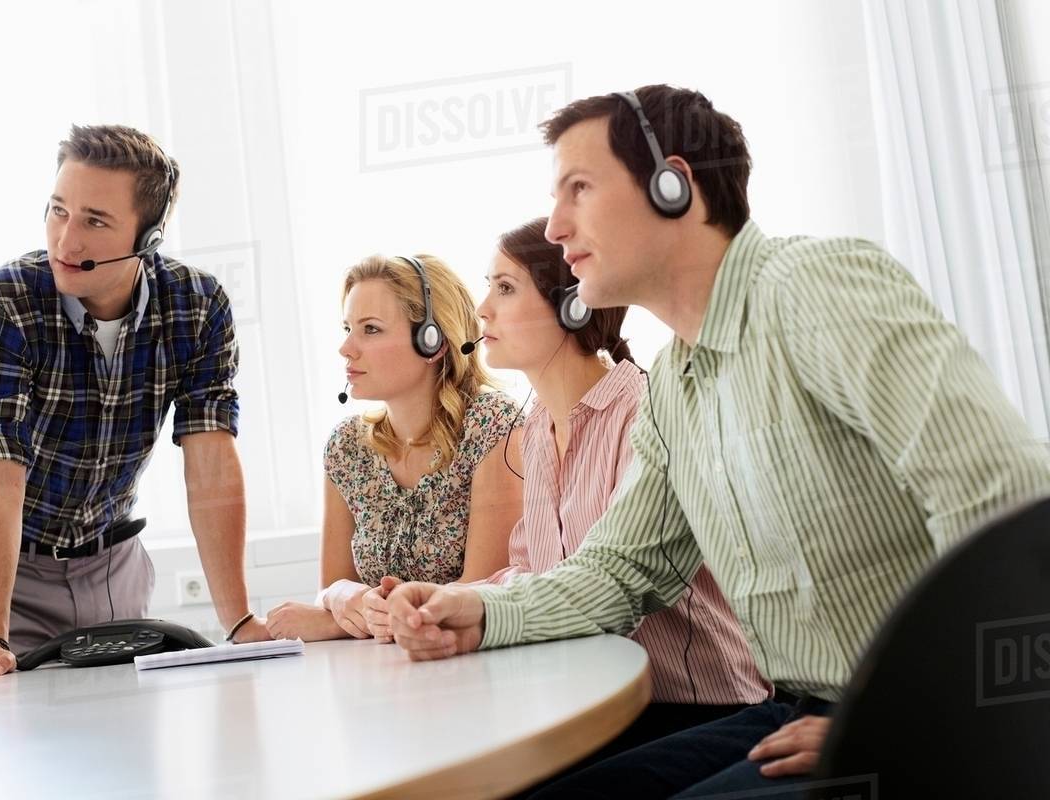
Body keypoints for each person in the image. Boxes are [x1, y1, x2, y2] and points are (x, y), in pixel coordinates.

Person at [384, 85, 1050, 798]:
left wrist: (913, 710)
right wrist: (480, 613)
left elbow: (1004, 501)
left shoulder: (816, 290)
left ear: (676, 186)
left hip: (927, 714)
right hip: (796, 706)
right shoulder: (674, 380)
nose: (553, 226)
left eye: (579, 188)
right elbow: (620, 572)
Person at [366, 219, 769, 757]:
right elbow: (535, 572)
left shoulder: (643, 412)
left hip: (693, 707)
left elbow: (613, 582)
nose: (482, 309)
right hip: (593, 702)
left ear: (573, 304)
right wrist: (452, 597)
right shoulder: (534, 433)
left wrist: (471, 605)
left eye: (505, 289)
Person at [0, 125, 269, 685]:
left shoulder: (197, 306)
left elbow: (211, 463)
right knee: (15, 744)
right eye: (58, 211)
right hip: (6, 573)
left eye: (95, 222)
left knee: (124, 755)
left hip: (113, 564)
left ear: (148, 239)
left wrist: (240, 622)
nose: (65, 241)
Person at [264, 254, 524, 641]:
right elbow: (332, 590)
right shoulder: (346, 447)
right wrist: (342, 596)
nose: (346, 348)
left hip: (471, 667)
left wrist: (341, 621)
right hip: (382, 673)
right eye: (348, 327)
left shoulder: (492, 425)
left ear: (432, 341)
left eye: (370, 329)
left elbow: (481, 594)